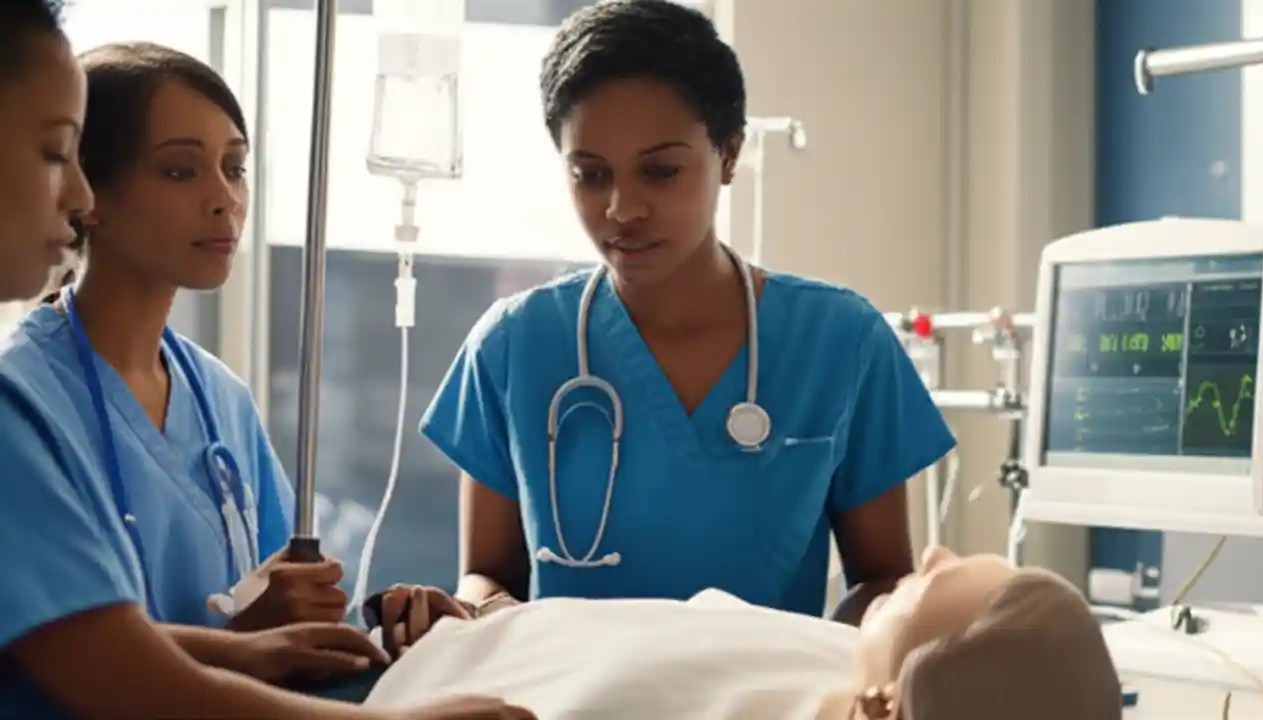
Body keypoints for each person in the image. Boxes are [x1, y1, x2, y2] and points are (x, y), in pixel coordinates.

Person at [0, 3, 532, 717]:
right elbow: (113, 670)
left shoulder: (217, 398)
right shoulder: (25, 402)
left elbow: (288, 635)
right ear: (98, 191)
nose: (224, 201)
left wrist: (388, 624)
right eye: (182, 171)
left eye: (235, 169)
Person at [378, 0, 955, 642]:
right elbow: (488, 575)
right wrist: (467, 616)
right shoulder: (515, 346)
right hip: (570, 700)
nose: (623, 209)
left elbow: (882, 582)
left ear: (729, 154)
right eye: (592, 175)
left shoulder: (841, 342)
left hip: (764, 703)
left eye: (661, 171)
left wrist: (818, 653)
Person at [363, 547, 1122, 720]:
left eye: (920, 590)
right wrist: (491, 620)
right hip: (457, 642)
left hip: (394, 693)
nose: (931, 555)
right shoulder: (837, 653)